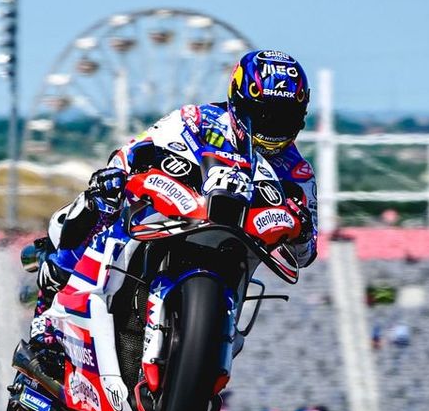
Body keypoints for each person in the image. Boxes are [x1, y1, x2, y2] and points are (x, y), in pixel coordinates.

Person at [32, 49, 318, 326]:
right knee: (100, 196)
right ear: (238, 100)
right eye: (264, 115)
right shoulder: (196, 119)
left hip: (234, 252)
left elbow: (306, 255)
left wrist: (302, 231)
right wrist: (121, 172)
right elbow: (129, 152)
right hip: (176, 214)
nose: (273, 127)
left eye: (285, 118)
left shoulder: (298, 172)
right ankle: (47, 312)